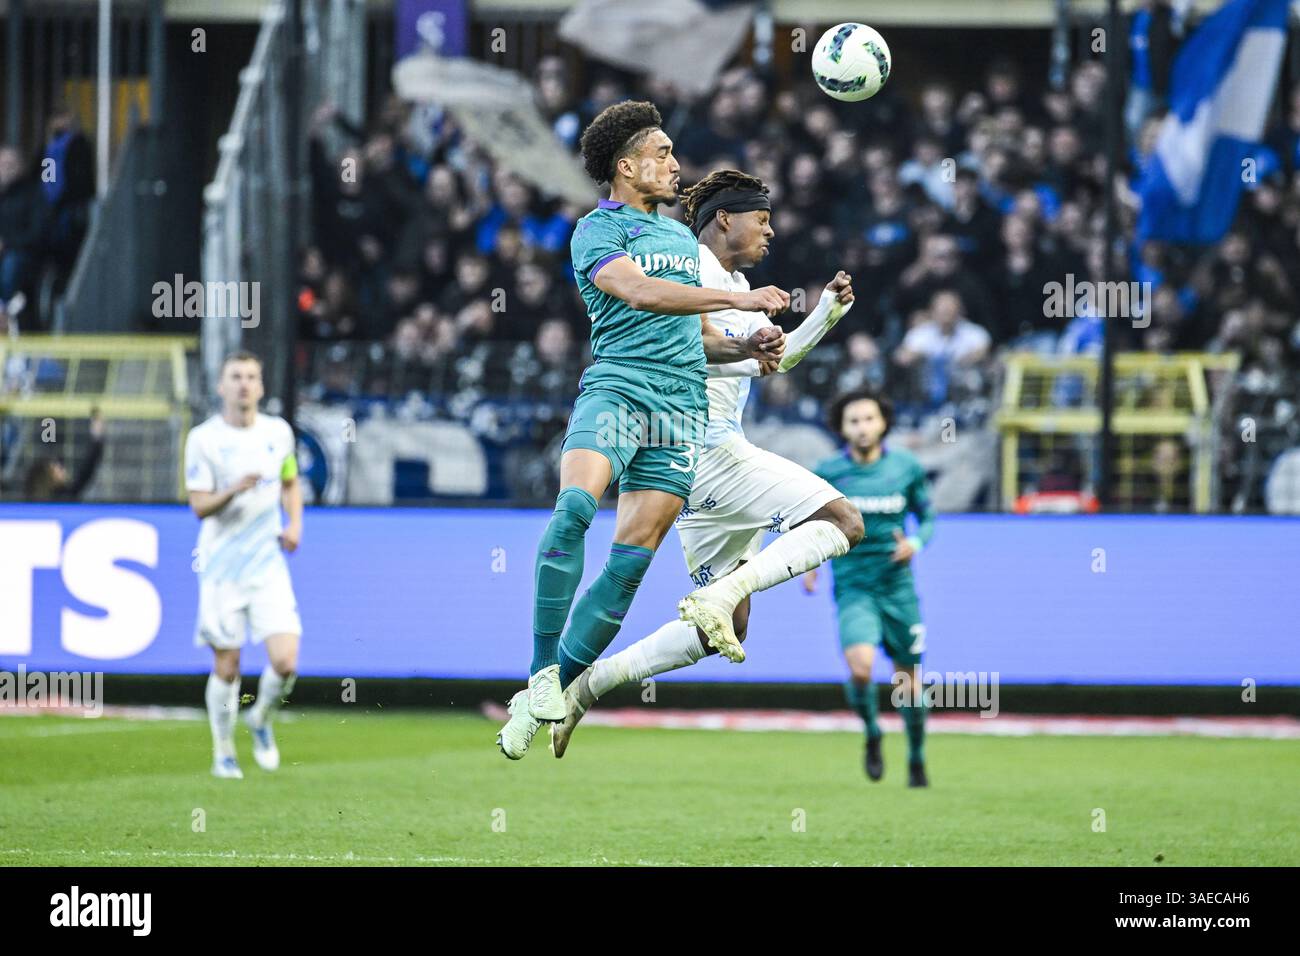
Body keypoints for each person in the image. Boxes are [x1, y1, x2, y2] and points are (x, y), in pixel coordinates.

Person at [496, 101, 791, 758]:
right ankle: (543, 668)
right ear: (626, 167)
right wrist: (741, 298)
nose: (674, 164)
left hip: (680, 406)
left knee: (628, 567)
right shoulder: (597, 232)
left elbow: (694, 336)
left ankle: (548, 696)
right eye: (661, 153)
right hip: (620, 388)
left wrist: (746, 349)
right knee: (575, 507)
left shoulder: (682, 240)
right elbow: (640, 294)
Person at [546, 168, 865, 758]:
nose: (772, 232)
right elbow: (680, 347)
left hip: (695, 465)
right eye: (761, 219)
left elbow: (775, 357)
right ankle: (716, 595)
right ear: (725, 219)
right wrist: (746, 343)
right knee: (843, 522)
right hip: (706, 451)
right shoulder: (682, 265)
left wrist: (824, 315)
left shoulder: (735, 286)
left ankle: (587, 686)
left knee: (729, 630)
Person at [804, 389, 936, 787]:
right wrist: (809, 562)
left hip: (897, 589)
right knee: (860, 669)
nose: (862, 428)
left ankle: (916, 757)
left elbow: (927, 518)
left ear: (883, 423)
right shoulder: (829, 471)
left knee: (908, 683)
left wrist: (915, 543)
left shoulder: (906, 468)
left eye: (869, 419)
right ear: (841, 428)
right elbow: (811, 521)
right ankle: (873, 733)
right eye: (853, 421)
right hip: (853, 587)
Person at [184, 351, 304, 779]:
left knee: (286, 660)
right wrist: (234, 489)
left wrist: (294, 523)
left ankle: (261, 719)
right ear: (221, 386)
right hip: (221, 569)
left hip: (267, 565)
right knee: (228, 665)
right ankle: (223, 751)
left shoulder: (278, 433)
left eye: (252, 376)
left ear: (262, 386)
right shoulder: (203, 439)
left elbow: (290, 480)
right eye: (235, 376)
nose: (244, 384)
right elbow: (198, 505)